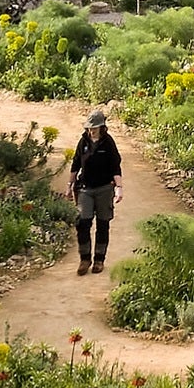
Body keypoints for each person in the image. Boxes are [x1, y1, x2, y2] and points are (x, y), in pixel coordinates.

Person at [67, 109, 122, 275]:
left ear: (102, 127)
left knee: (103, 224)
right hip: (85, 189)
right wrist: (69, 185)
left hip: (105, 188)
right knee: (83, 223)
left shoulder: (108, 143)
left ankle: (99, 259)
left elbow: (115, 166)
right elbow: (76, 164)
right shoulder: (83, 142)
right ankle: (85, 259)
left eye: (95, 127)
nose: (92, 130)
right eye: (90, 128)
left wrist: (119, 188)